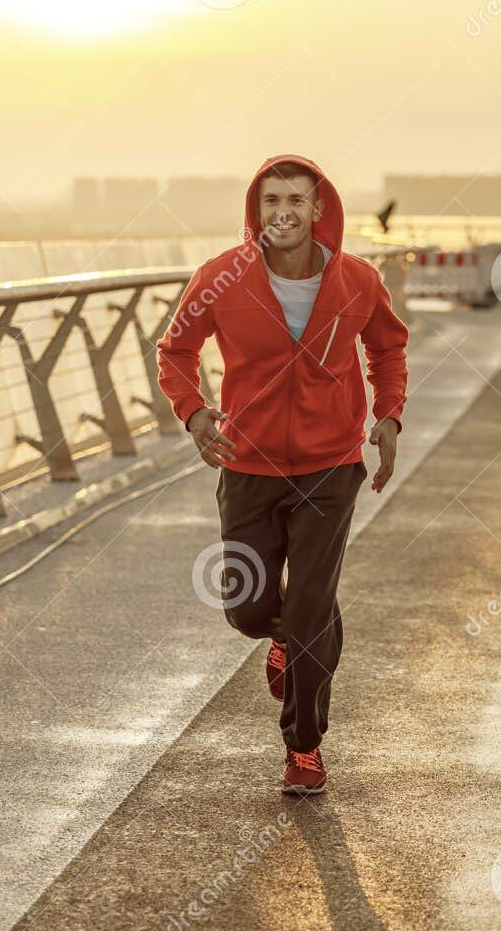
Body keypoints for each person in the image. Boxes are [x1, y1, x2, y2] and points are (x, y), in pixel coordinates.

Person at [156, 154, 409, 795]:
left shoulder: (357, 281)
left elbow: (387, 346)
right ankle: (283, 637)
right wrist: (193, 414)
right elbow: (176, 349)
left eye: (296, 200)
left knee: (311, 608)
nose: (283, 212)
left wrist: (388, 416)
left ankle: (304, 746)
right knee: (246, 607)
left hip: (331, 466)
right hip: (247, 464)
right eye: (271, 201)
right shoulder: (221, 279)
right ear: (256, 210)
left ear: (319, 208)